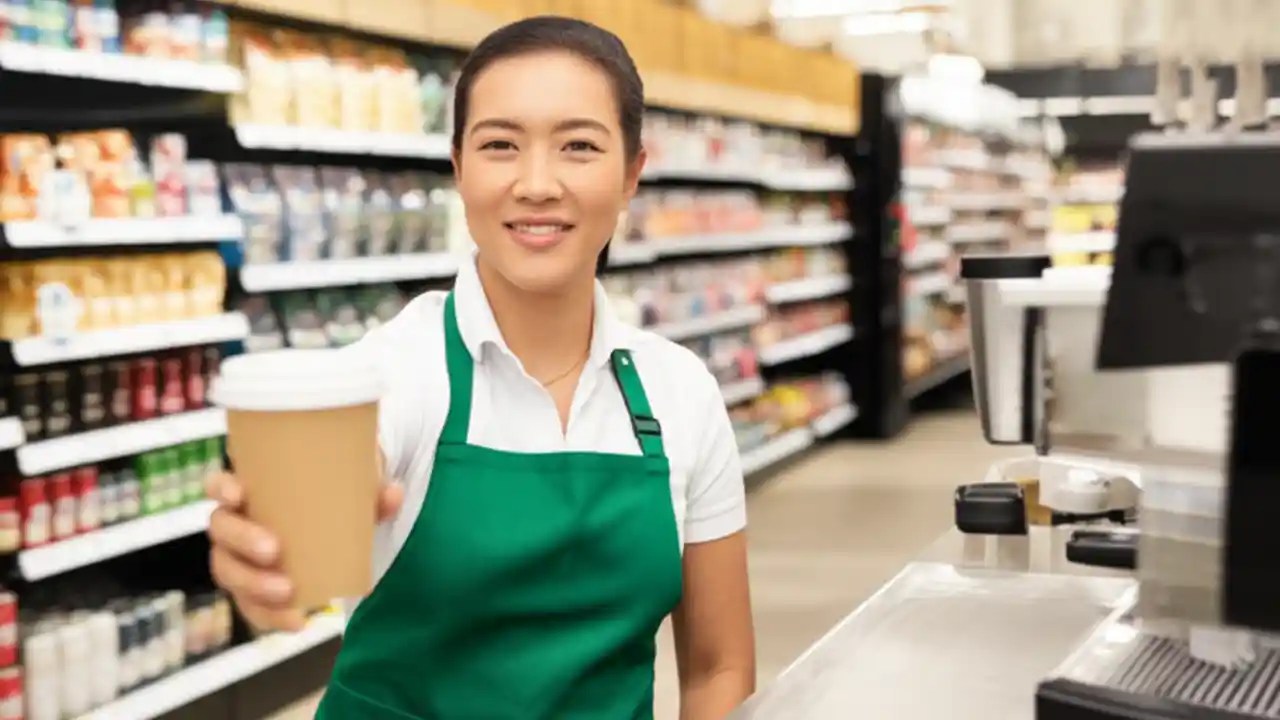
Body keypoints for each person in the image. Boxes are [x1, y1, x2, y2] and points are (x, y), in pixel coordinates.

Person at [205, 14, 756, 720]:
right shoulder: (398, 369)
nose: (536, 183)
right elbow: (347, 462)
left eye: (579, 146)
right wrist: (273, 540)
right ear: (459, 168)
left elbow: (719, 667)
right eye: (500, 145)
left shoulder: (681, 392)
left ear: (631, 176)